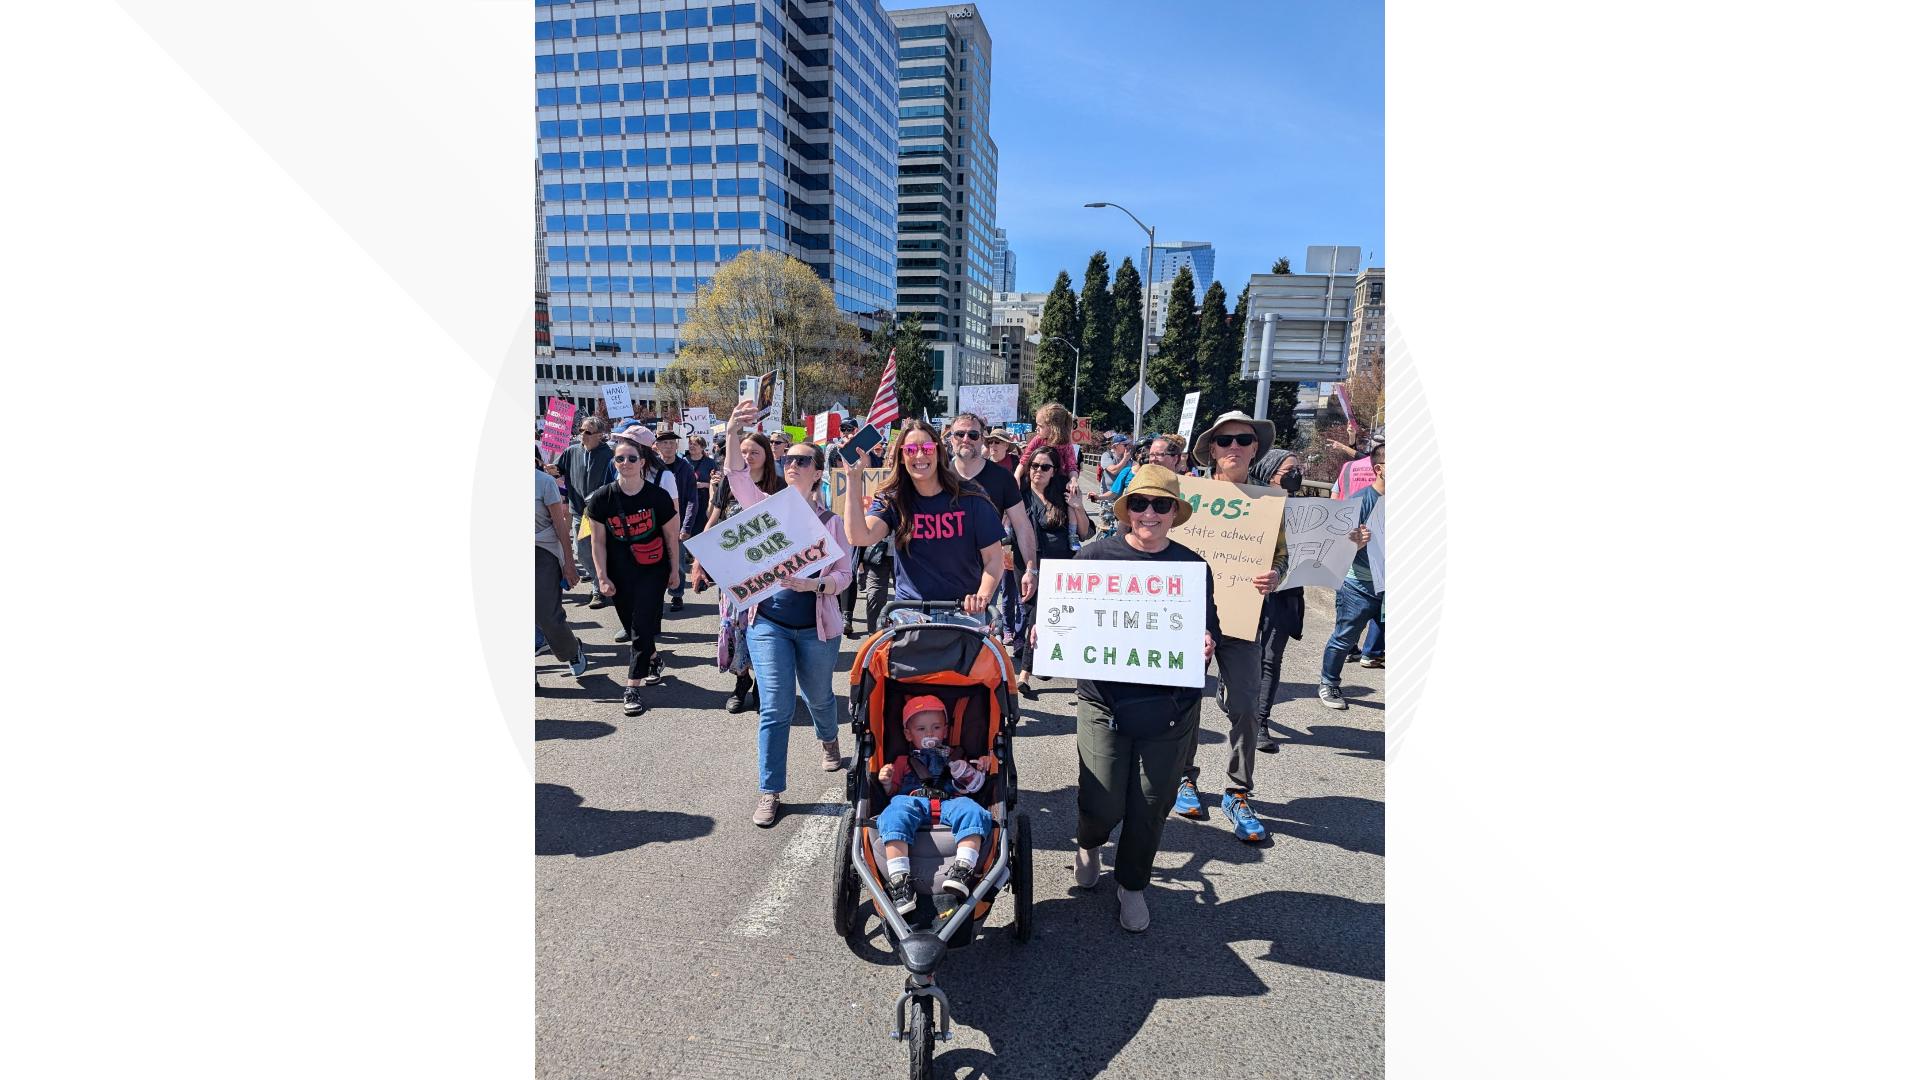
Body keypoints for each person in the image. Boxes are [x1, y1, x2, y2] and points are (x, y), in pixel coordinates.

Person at [1068, 464, 1219, 932]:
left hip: (1170, 707)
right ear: (1125, 508)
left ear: (1174, 512)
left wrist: (1207, 640)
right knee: (1104, 798)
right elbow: (1064, 619)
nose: (1149, 513)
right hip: (1104, 702)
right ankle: (1090, 843)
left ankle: (1132, 884)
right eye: (1139, 503)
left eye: (1161, 505)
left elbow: (1207, 624)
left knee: (1152, 803)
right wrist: (1048, 628)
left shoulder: (1193, 568)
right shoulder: (1093, 560)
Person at [715, 402, 855, 827]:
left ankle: (829, 741)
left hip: (816, 628)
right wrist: (735, 431)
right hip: (769, 624)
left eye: (802, 460)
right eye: (787, 459)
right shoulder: (766, 509)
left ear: (817, 471)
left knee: (819, 698)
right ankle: (770, 790)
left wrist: (815, 585)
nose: (791, 465)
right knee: (775, 707)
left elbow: (845, 574)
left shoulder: (832, 521)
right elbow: (737, 477)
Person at [1170, 410, 1287, 842]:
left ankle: (1238, 791)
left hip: (1241, 618)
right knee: (1185, 698)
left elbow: (1282, 558)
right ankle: (1184, 777)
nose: (1234, 447)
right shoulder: (1187, 496)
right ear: (1213, 451)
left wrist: (1276, 576)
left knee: (1244, 703)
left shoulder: (1269, 503)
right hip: (1190, 617)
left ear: (1256, 447)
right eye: (1225, 441)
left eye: (1243, 439)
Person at [843, 419, 1006, 625]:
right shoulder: (893, 499)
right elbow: (859, 536)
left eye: (928, 448)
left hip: (963, 614)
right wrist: (853, 477)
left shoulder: (971, 498)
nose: (920, 455)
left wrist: (982, 597)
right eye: (910, 449)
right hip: (910, 614)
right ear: (902, 457)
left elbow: (994, 559)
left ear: (938, 452)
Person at [586, 429, 683, 717]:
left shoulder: (659, 496)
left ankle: (632, 687)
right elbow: (598, 542)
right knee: (631, 627)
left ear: (643, 462)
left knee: (641, 627)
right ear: (614, 463)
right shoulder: (602, 498)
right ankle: (653, 658)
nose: (625, 462)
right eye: (619, 459)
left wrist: (675, 571)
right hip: (619, 572)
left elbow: (670, 535)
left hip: (652, 570)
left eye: (631, 458)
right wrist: (601, 576)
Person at [691, 426, 785, 712]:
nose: (748, 456)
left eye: (754, 452)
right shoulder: (728, 484)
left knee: (760, 628)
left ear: (766, 455)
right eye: (743, 452)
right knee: (733, 628)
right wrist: (698, 561)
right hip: (731, 572)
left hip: (767, 573)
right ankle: (740, 682)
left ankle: (760, 685)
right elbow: (713, 521)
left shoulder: (779, 486)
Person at [876, 696, 995, 923]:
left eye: (936, 727)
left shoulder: (956, 755)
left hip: (949, 801)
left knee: (973, 810)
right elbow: (893, 792)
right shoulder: (903, 760)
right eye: (921, 729)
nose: (929, 733)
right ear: (909, 734)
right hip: (914, 801)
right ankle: (900, 878)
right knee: (894, 811)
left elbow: (971, 782)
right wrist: (887, 781)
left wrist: (982, 764)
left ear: (945, 731)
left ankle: (963, 869)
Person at [1012, 444, 1090, 698]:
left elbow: (1084, 532)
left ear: (1054, 471)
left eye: (1045, 467)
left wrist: (1077, 506)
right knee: (1038, 613)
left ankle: (1025, 673)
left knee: (1045, 614)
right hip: (1028, 566)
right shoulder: (1018, 496)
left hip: (1062, 567)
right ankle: (1039, 662)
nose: (1038, 471)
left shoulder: (1063, 496)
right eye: (1034, 466)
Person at [946, 412, 1037, 626]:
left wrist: (1031, 569)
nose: (966, 439)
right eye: (959, 434)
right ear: (951, 438)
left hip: (987, 571)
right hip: (944, 572)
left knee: (977, 635)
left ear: (982, 439)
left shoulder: (1002, 478)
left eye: (973, 434)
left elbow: (1022, 525)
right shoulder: (939, 474)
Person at [1248, 449, 1309, 754]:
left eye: (1299, 468)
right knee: (1246, 654)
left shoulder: (1307, 511)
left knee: (1271, 657)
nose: (1296, 474)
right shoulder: (1249, 504)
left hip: (1285, 593)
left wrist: (1353, 540)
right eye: (1289, 469)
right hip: (1248, 591)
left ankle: (1260, 722)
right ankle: (1227, 687)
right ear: (1268, 472)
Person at [1319, 441, 1386, 709]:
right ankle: (1329, 683)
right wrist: (1355, 541)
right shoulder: (1360, 500)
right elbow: (1336, 540)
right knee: (1345, 637)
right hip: (1359, 583)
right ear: (1380, 469)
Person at [536, 453, 589, 680]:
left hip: (542, 551)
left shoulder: (543, 482)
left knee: (547, 615)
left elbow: (560, 524)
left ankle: (571, 650)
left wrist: (569, 563)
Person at [552, 416, 613, 608]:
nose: (582, 435)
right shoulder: (571, 451)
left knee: (603, 550)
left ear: (600, 435)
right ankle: (599, 583)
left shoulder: (609, 454)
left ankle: (600, 587)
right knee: (582, 552)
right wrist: (550, 469)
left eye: (588, 432)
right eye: (581, 431)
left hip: (603, 513)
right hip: (579, 511)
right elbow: (558, 470)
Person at [654, 429, 697, 613]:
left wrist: (686, 525)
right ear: (657, 446)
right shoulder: (651, 466)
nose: (668, 446)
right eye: (664, 442)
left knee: (676, 561)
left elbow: (692, 499)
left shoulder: (685, 467)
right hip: (654, 522)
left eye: (672, 442)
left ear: (677, 445)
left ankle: (677, 594)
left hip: (676, 522)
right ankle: (655, 595)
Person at [1017, 402, 1079, 479]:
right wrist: (1016, 477)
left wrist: (1073, 480)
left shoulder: (1066, 444)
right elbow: (1024, 460)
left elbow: (1071, 467)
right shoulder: (1037, 439)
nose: (1036, 428)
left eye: (1040, 426)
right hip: (1037, 480)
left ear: (1053, 428)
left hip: (1057, 483)